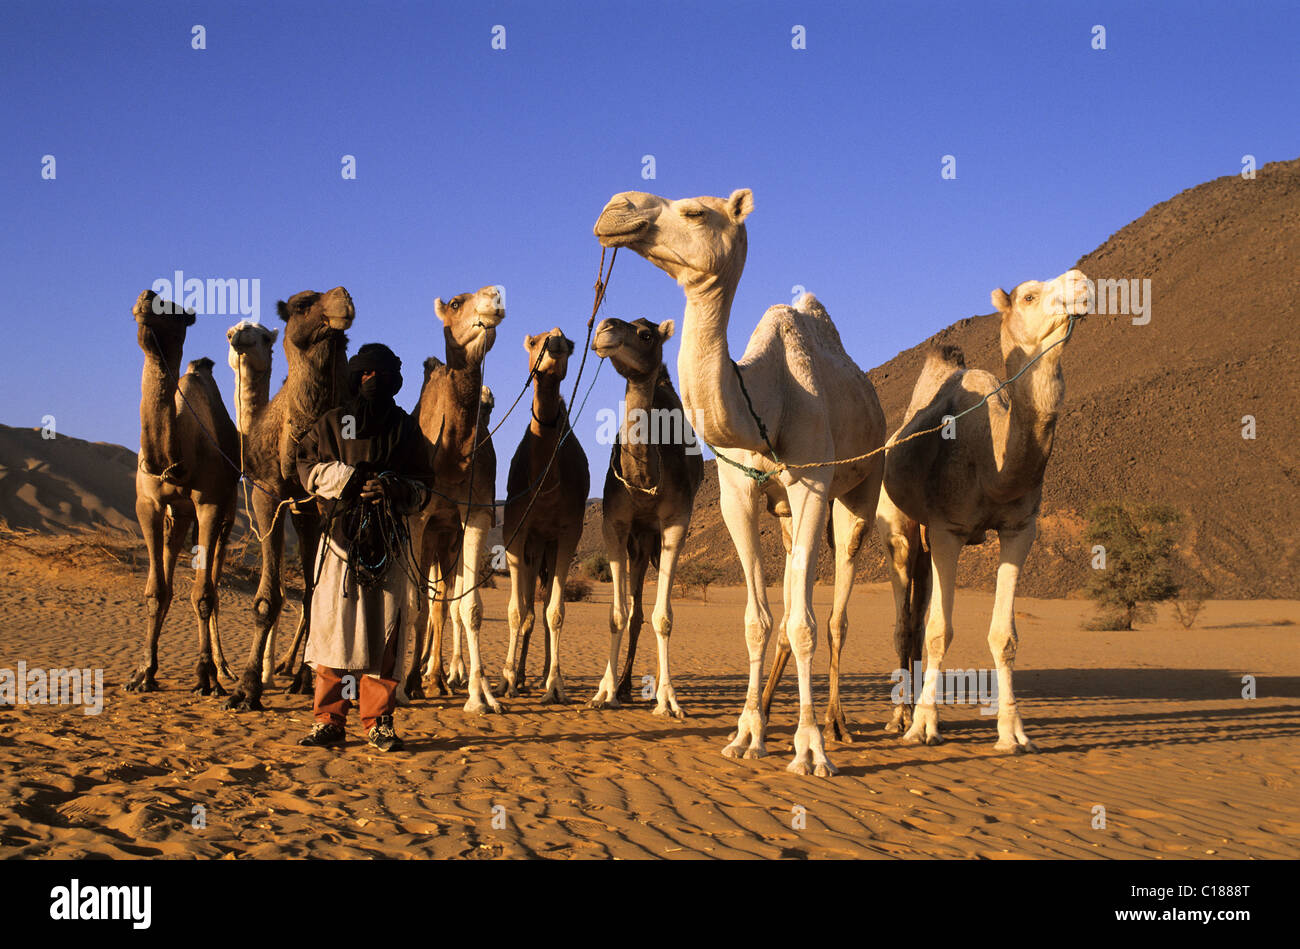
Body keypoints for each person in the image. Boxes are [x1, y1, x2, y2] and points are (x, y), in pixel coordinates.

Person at [294, 343, 434, 751]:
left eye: (383, 376)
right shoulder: (334, 424)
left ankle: (378, 722)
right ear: (357, 379)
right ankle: (329, 721)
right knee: (334, 633)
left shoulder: (405, 429)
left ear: (393, 382)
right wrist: (347, 479)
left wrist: (392, 486)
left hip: (387, 544)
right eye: (367, 375)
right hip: (340, 542)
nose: (374, 381)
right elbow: (306, 466)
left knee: (383, 639)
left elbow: (424, 485)